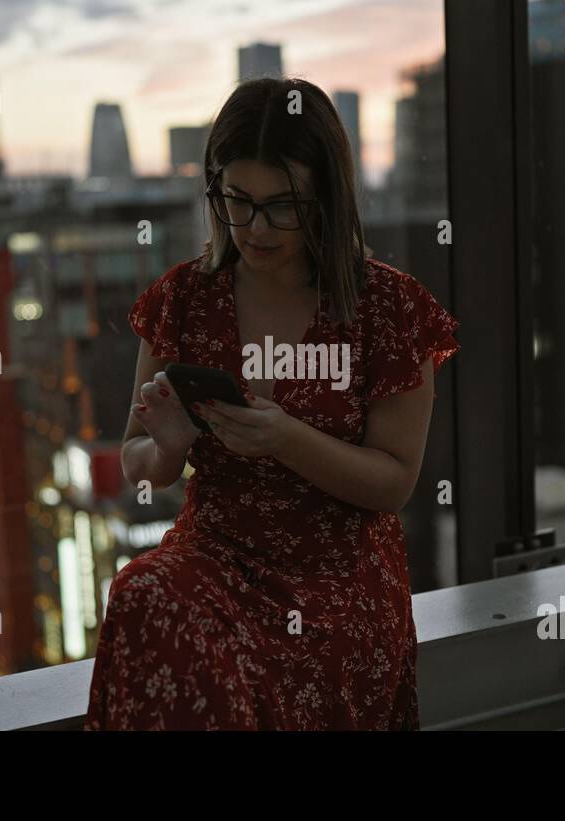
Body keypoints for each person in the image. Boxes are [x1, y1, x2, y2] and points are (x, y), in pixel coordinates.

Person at [84, 77, 458, 730]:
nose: (255, 228)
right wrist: (168, 447)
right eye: (238, 201)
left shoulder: (388, 308)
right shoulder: (184, 298)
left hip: (341, 575)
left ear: (327, 199)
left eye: (283, 206)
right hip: (217, 554)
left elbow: (395, 481)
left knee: (257, 672)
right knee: (140, 593)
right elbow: (136, 459)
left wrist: (286, 438)